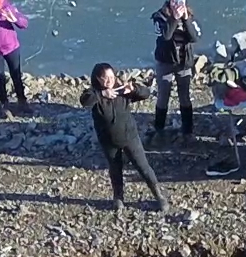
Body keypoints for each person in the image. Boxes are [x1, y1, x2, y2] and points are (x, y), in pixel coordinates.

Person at [82, 63, 165, 211]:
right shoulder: (95, 94)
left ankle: (159, 196)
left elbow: (145, 93)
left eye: (112, 77)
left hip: (130, 137)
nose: (109, 81)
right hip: (108, 141)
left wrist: (134, 88)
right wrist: (102, 94)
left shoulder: (122, 92)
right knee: (115, 169)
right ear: (98, 79)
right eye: (105, 78)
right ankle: (118, 198)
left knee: (143, 167)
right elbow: (85, 101)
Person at [151, 0, 202, 139]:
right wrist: (174, 18)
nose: (177, 4)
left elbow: (194, 38)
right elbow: (166, 36)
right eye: (174, 1)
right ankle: (159, 128)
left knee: (184, 96)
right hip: (165, 62)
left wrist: (185, 19)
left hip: (183, 62)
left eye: (180, 1)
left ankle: (188, 129)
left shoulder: (189, 16)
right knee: (163, 96)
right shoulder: (159, 17)